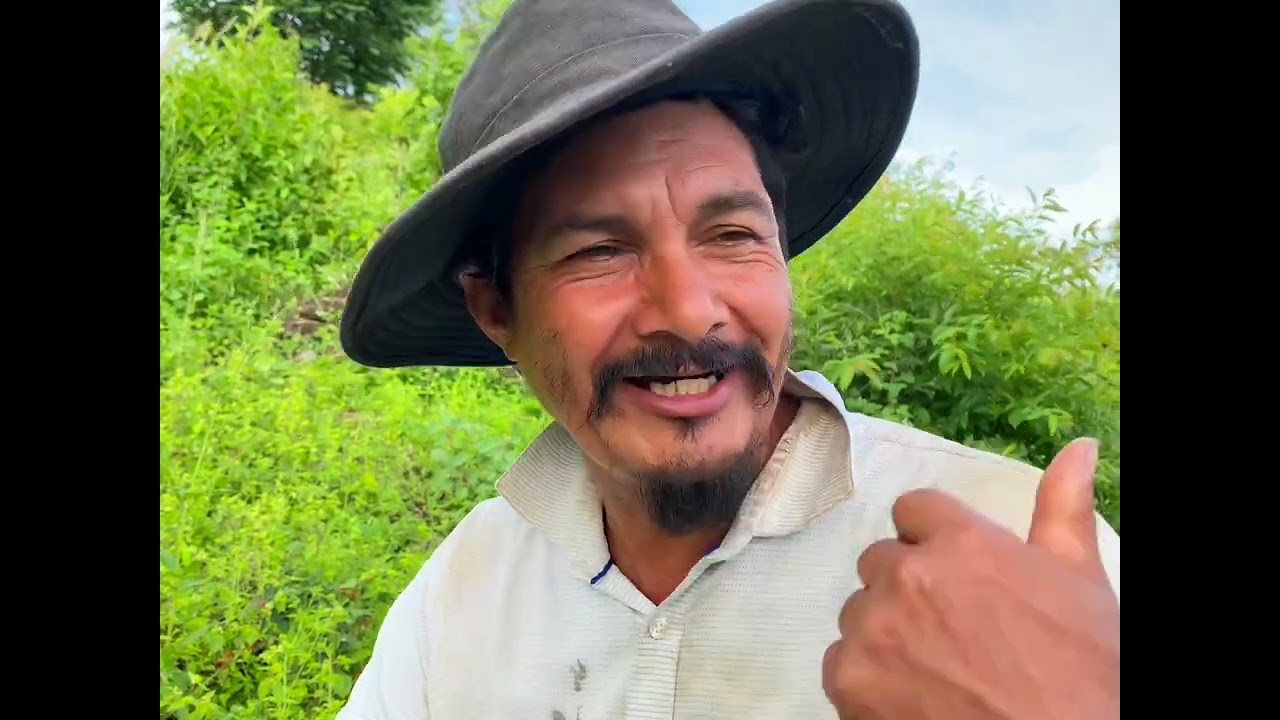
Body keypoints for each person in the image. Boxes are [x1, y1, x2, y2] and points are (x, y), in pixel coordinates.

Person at [336, 0, 1121, 718]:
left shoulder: (1016, 555)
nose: (688, 310)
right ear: (496, 308)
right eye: (600, 251)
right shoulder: (465, 588)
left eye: (733, 236)